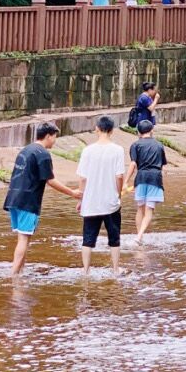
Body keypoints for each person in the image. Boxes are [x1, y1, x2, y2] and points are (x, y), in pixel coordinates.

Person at [4, 121, 81, 276]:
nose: (55, 141)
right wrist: (72, 192)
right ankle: (14, 276)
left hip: (13, 198)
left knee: (23, 237)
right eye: (54, 137)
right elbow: (50, 180)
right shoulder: (43, 154)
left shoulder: (25, 150)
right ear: (48, 136)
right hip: (28, 201)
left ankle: (20, 272)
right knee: (24, 238)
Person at [76, 116, 126, 274]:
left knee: (88, 239)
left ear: (97, 129)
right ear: (112, 130)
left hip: (91, 201)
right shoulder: (118, 150)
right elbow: (119, 176)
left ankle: (85, 271)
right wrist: (118, 194)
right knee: (114, 237)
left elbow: (82, 178)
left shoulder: (87, 150)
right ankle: (116, 269)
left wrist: (81, 199)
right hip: (111, 202)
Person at [125, 118, 167, 242]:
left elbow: (133, 164)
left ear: (138, 132)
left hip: (141, 177)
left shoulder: (135, 145)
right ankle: (139, 236)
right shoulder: (159, 145)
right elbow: (163, 166)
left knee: (140, 208)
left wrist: (126, 181)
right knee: (149, 209)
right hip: (155, 178)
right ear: (152, 130)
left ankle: (139, 236)